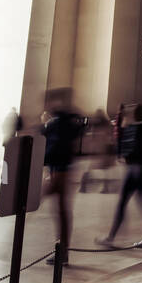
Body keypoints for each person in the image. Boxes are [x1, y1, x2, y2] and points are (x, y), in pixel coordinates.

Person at [98, 104, 142, 248]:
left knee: (127, 203)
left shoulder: (137, 128)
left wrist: (125, 129)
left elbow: (129, 151)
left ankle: (111, 237)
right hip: (139, 169)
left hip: (135, 170)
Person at [42, 90, 82, 266]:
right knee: (62, 212)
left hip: (59, 171)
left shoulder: (57, 123)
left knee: (59, 211)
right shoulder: (67, 121)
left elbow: (54, 148)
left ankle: (62, 251)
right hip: (62, 169)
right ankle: (63, 250)